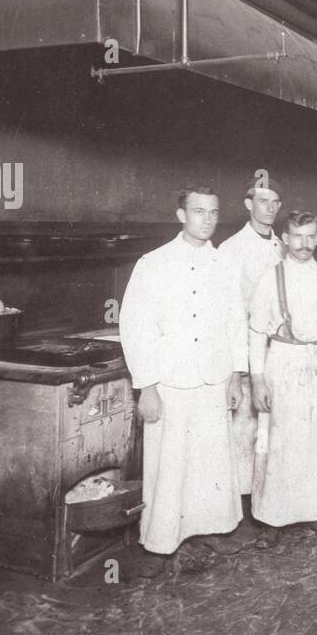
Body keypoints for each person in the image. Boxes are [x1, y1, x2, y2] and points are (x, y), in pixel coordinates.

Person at [118, 187, 249, 575]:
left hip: (213, 378)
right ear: (181, 215)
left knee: (210, 462)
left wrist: (235, 377)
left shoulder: (225, 265)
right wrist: (147, 386)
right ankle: (161, 542)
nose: (206, 219)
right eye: (198, 211)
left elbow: (235, 323)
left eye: (212, 212)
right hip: (170, 380)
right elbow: (135, 328)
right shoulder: (153, 263)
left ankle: (210, 529)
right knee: (169, 463)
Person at [248, 211, 317, 543]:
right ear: (286, 238)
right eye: (297, 236)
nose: (304, 244)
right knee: (278, 441)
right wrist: (258, 379)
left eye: (311, 236)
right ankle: (272, 520)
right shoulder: (270, 277)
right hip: (283, 362)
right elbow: (255, 334)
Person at [217, 181, 284, 544]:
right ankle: (242, 509)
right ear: (248, 204)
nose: (269, 208)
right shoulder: (231, 249)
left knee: (270, 432)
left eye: (275, 202)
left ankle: (268, 503)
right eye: (262, 201)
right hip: (245, 351)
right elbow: (229, 310)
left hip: (279, 353)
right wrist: (239, 364)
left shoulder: (281, 244)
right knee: (243, 431)